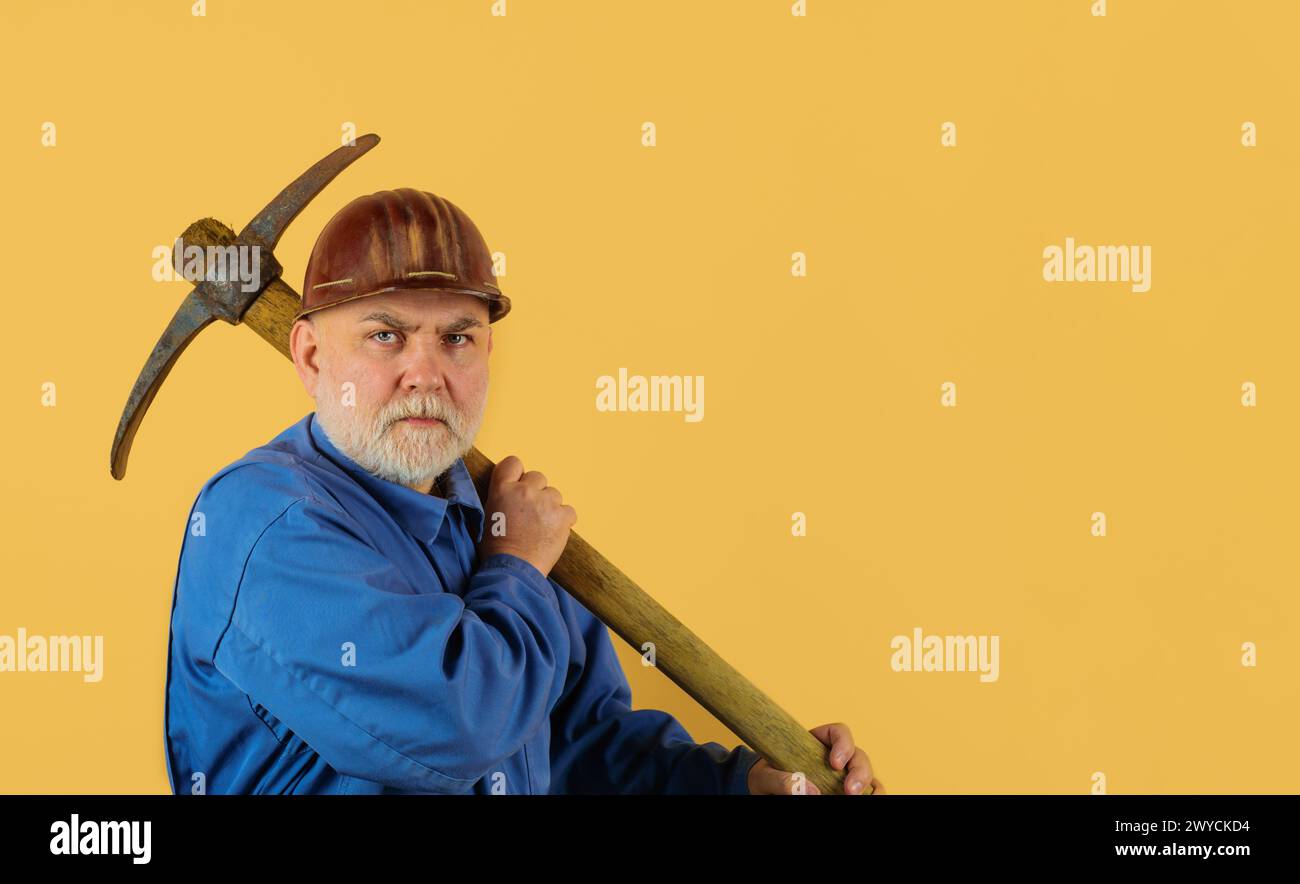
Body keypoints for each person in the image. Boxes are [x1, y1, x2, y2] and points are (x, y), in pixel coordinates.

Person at [163, 188, 883, 795]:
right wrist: (514, 567)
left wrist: (744, 784)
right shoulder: (260, 523)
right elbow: (456, 726)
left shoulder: (504, 521)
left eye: (457, 338)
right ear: (312, 354)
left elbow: (581, 752)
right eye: (386, 335)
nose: (426, 373)